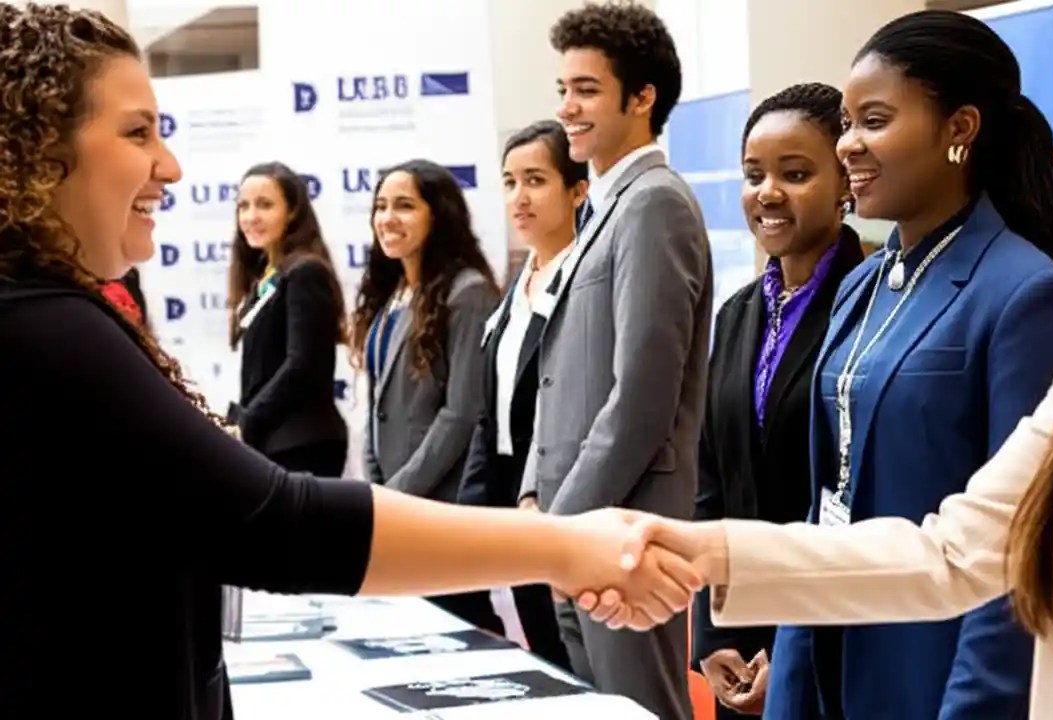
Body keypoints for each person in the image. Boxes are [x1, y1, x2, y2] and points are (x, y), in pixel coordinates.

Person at [0, 6, 699, 719]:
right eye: (137, 132)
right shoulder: (44, 326)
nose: (170, 165)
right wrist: (561, 543)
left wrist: (559, 528)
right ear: (38, 148)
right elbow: (278, 521)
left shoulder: (49, 315)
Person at [590, 0, 1053, 718]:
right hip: (838, 657)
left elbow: (1010, 582)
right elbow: (954, 550)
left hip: (917, 673)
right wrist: (696, 555)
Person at [745, 11, 1053, 720]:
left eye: (874, 121)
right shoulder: (861, 285)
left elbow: (1017, 545)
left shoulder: (1025, 293)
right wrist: (791, 683)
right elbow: (826, 503)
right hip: (829, 652)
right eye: (846, 124)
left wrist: (974, 708)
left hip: (927, 670)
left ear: (960, 128)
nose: (849, 145)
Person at [519, 3, 713, 718]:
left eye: (587, 90)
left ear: (641, 98)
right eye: (563, 89)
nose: (566, 108)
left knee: (640, 708)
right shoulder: (606, 207)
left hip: (623, 528)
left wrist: (560, 526)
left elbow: (642, 396)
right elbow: (560, 374)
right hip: (582, 524)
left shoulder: (654, 204)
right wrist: (538, 495)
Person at [691, 82, 864, 718]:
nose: (768, 192)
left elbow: (853, 499)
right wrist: (712, 631)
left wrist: (791, 646)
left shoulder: (872, 307)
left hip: (832, 635)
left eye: (795, 174)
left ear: (845, 183)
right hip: (738, 638)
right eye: (753, 174)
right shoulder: (737, 314)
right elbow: (710, 481)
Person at [351, 159, 504, 633]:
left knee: (463, 628)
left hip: (443, 502)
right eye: (380, 206)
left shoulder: (468, 293)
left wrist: (399, 493)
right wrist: (379, 485)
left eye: (404, 206)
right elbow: (378, 403)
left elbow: (462, 413)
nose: (387, 218)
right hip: (398, 498)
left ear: (437, 215)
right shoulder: (395, 292)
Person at [458, 120, 588, 670]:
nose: (520, 197)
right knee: (544, 658)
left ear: (577, 190)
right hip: (511, 497)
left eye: (535, 180)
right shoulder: (517, 285)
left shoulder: (584, 281)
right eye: (510, 182)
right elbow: (491, 411)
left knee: (577, 661)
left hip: (562, 497)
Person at [226, 161, 349, 475]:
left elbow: (302, 364)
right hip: (272, 441)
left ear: (293, 211)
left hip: (301, 444)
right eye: (243, 206)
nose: (251, 216)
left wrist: (249, 420)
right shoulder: (268, 276)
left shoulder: (306, 272)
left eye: (265, 205)